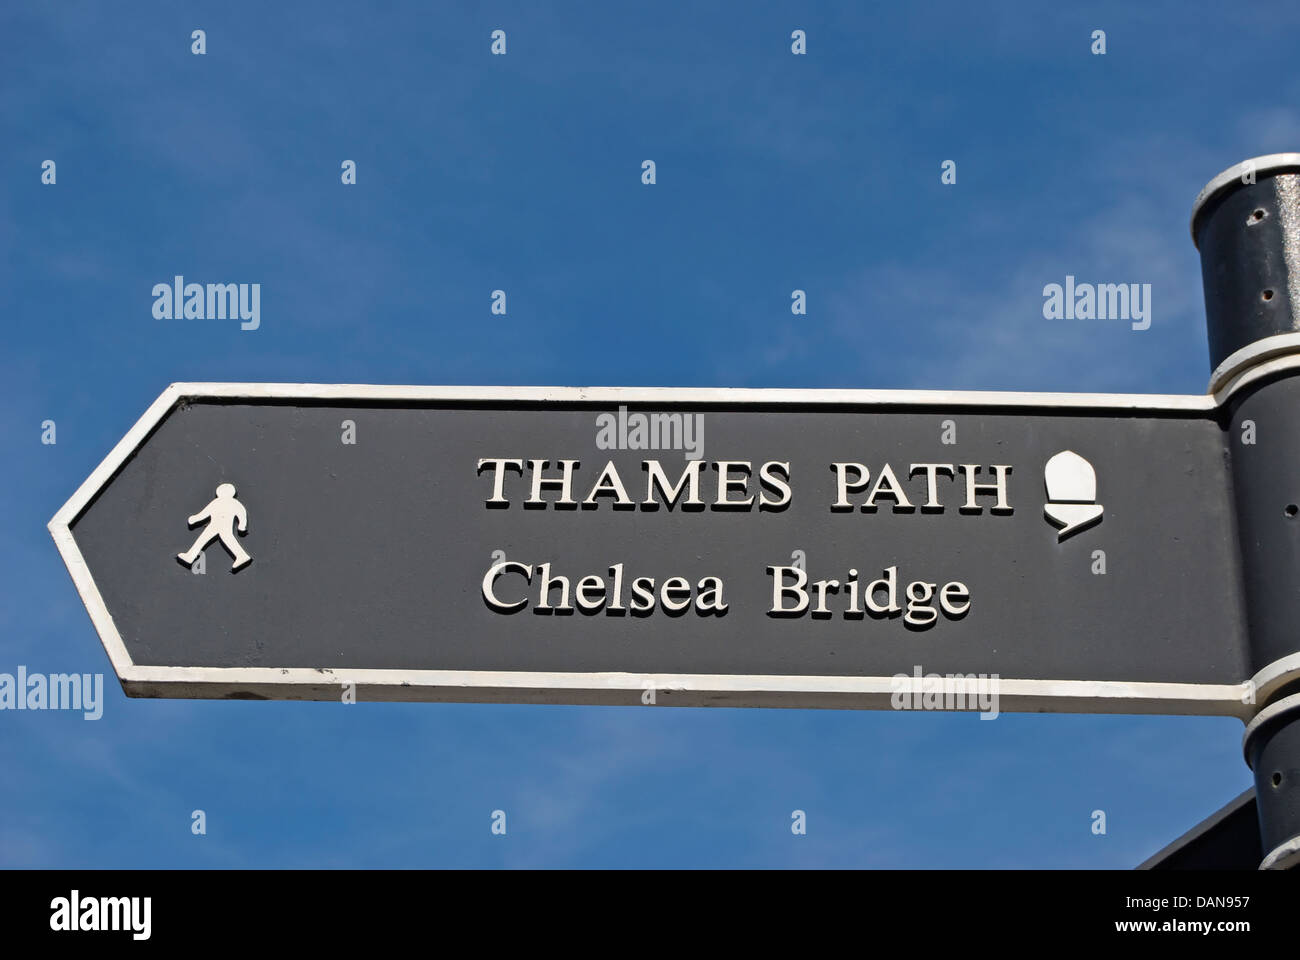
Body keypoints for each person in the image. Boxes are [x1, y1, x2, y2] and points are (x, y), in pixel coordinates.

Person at [177, 483, 251, 571]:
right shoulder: (231, 503)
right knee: (204, 540)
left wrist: (195, 519)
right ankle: (190, 556)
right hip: (216, 526)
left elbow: (241, 514)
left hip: (222, 527)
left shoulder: (226, 502)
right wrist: (195, 519)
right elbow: (242, 515)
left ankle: (242, 556)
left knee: (223, 540)